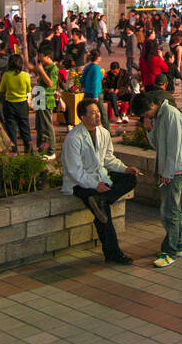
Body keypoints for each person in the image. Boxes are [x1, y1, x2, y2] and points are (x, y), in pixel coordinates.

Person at [60, 98, 141, 265]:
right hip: (79, 183)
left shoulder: (103, 132)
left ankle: (103, 199)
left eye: (98, 112)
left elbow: (108, 159)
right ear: (83, 117)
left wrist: (125, 168)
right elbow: (74, 171)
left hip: (100, 176)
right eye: (93, 113)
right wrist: (94, 185)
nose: (98, 116)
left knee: (130, 179)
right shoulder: (74, 138)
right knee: (102, 211)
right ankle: (113, 252)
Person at [131, 92, 182, 268]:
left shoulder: (171, 115)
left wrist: (167, 173)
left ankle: (170, 251)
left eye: (146, 114)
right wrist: (150, 129)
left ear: (151, 104)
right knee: (173, 209)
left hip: (175, 171)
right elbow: (158, 144)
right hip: (169, 170)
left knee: (169, 211)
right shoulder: (161, 116)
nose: (147, 117)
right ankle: (178, 245)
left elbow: (174, 148)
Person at [0, 53, 33, 154]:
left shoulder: (6, 75)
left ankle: (14, 153)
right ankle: (29, 151)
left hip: (10, 104)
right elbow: (29, 89)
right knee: (25, 129)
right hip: (22, 104)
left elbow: (2, 89)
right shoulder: (25, 75)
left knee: (11, 130)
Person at [33, 52, 60, 157]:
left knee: (46, 126)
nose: (40, 59)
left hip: (46, 98)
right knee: (39, 126)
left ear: (48, 56)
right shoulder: (45, 67)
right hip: (39, 97)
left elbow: (50, 83)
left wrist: (41, 71)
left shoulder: (53, 68)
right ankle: (42, 149)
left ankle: (51, 150)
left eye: (41, 57)